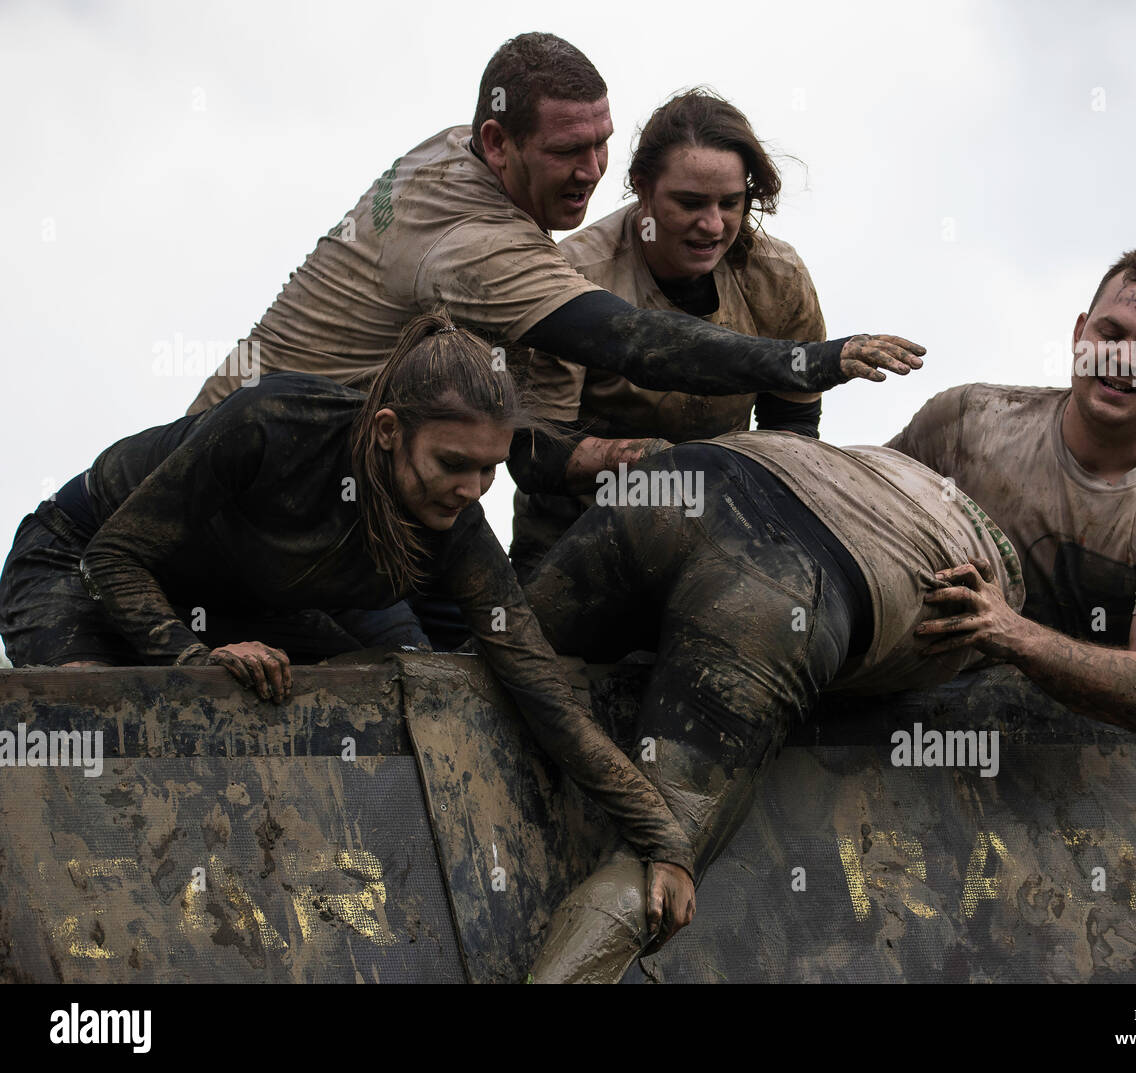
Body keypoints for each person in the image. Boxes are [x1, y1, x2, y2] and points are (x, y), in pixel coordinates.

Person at [0, 314, 699, 939]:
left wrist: (663, 836)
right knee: (96, 720)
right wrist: (192, 657)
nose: (470, 489)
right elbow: (113, 557)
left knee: (404, 693)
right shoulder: (271, 423)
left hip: (248, 603)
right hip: (79, 562)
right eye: (453, 464)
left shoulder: (457, 527)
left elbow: (540, 685)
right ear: (389, 431)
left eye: (489, 470)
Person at [185, 33, 924, 420]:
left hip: (313, 444)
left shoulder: (454, 148)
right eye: (570, 151)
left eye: (602, 142)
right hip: (249, 461)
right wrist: (812, 360)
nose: (593, 169)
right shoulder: (479, 250)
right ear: (500, 142)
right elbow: (635, 343)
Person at [521, 431, 1025, 982]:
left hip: (690, 476)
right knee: (653, 866)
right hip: (790, 575)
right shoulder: (993, 591)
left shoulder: (874, 465)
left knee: (505, 654)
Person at [888, 246, 1136, 735]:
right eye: (1110, 333)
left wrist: (1010, 632)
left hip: (1082, 771)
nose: (1125, 360)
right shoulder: (968, 423)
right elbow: (858, 514)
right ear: (1079, 335)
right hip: (910, 726)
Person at [509, 89, 828, 577]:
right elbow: (537, 454)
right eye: (690, 202)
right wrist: (659, 464)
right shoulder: (572, 274)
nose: (713, 225)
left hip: (720, 530)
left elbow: (794, 426)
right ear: (642, 186)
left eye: (731, 203)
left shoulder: (777, 276)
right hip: (572, 538)